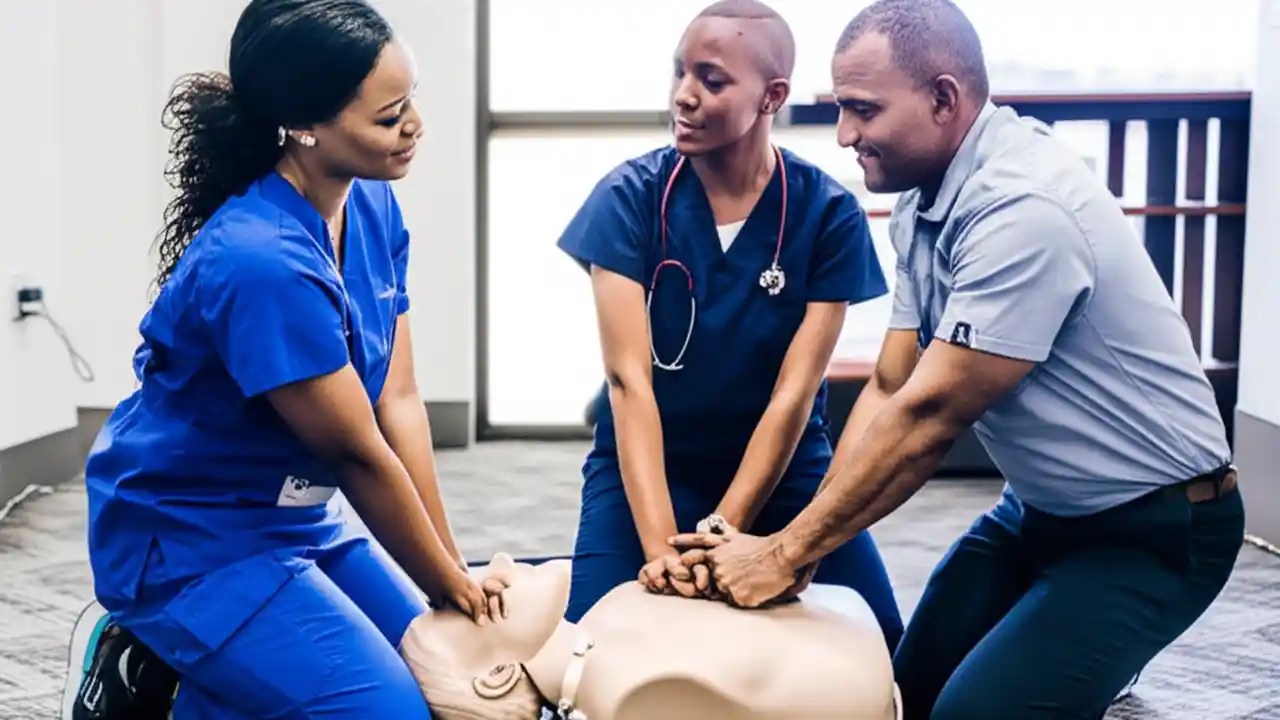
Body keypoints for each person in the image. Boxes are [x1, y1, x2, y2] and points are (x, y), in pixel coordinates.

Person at [671, 1, 1246, 718]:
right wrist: (808, 541)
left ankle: (1093, 671)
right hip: (1036, 515)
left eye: (863, 111)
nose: (846, 134)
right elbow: (890, 384)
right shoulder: (923, 201)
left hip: (1157, 531)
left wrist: (785, 553)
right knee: (901, 695)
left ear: (944, 98)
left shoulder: (1023, 208)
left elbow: (931, 416)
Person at [74, 1, 505, 717]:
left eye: (412, 100)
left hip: (297, 523)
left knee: (445, 675)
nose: (415, 126)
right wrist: (448, 586)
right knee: (387, 711)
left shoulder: (371, 208)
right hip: (189, 544)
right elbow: (358, 454)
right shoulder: (259, 262)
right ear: (305, 126)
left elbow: (397, 403)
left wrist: (450, 574)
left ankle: (189, 694)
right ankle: (142, 676)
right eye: (389, 115)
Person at [555, 0, 904, 650]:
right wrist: (663, 549)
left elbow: (794, 396)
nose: (683, 96)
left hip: (786, 472)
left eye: (711, 81)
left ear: (772, 95)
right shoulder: (628, 199)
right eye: (680, 73)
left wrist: (726, 529)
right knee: (591, 645)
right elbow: (628, 383)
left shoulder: (827, 215)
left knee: (883, 645)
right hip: (655, 458)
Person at [400, 553, 902, 720]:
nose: (501, 564)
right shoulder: (628, 696)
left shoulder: (599, 630)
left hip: (848, 635)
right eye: (462, 610)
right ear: (495, 677)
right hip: (862, 662)